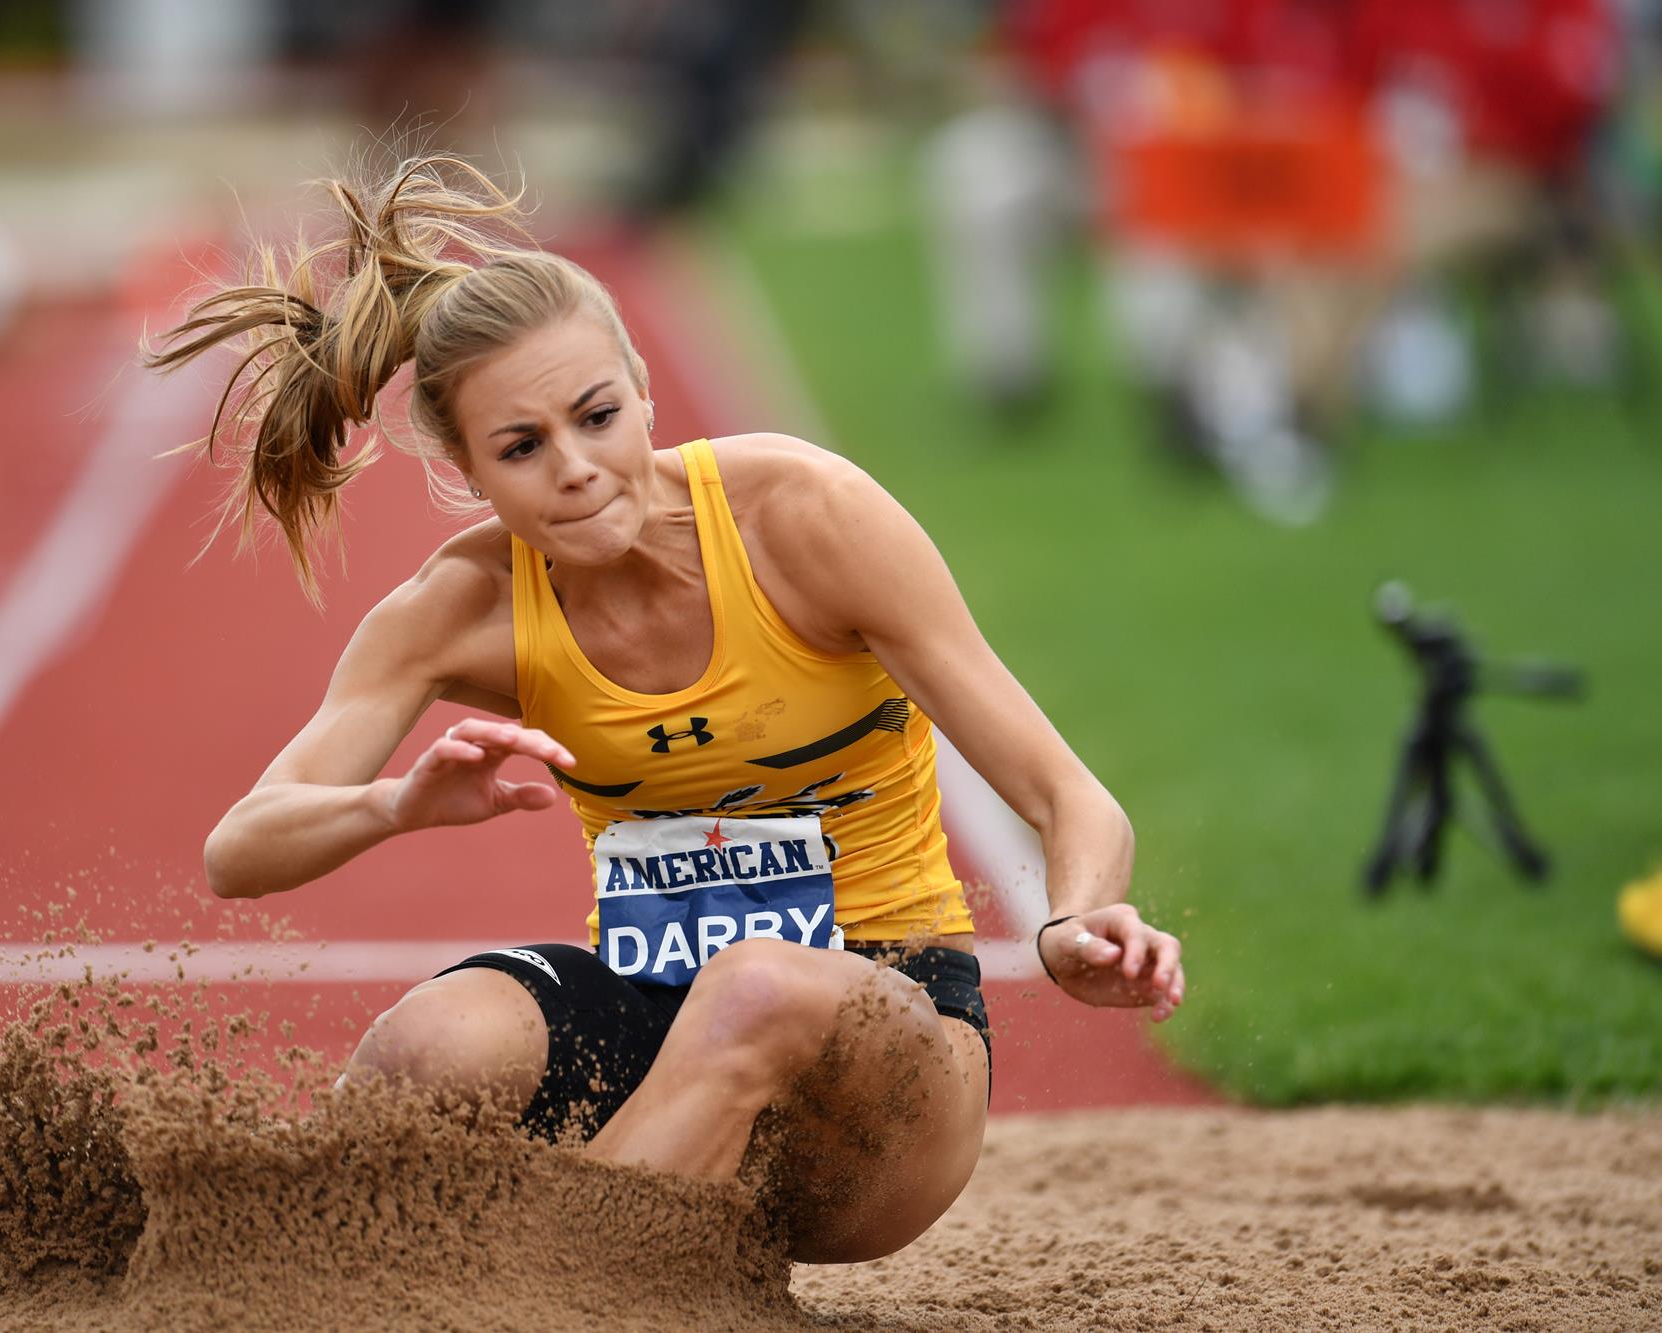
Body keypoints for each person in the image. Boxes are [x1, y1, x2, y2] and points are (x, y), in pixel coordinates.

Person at [145, 155, 1185, 1264]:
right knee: (427, 1046)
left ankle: (535, 1291)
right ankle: (344, 1274)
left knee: (752, 988)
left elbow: (1065, 796)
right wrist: (394, 804)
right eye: (521, 447)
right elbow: (238, 851)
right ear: (466, 472)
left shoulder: (803, 519)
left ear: (642, 390)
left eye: (597, 416)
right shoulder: (457, 608)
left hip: (887, 1062)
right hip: (649, 1029)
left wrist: (1074, 922)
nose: (579, 468)